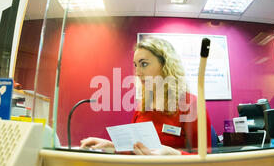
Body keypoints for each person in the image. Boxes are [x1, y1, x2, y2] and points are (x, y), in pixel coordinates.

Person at [80, 37, 212, 155]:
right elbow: (136, 148)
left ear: (165, 65)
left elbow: (204, 158)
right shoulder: (143, 104)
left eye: (144, 64)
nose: (137, 72)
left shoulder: (191, 104)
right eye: (135, 65)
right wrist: (112, 146)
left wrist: (174, 154)